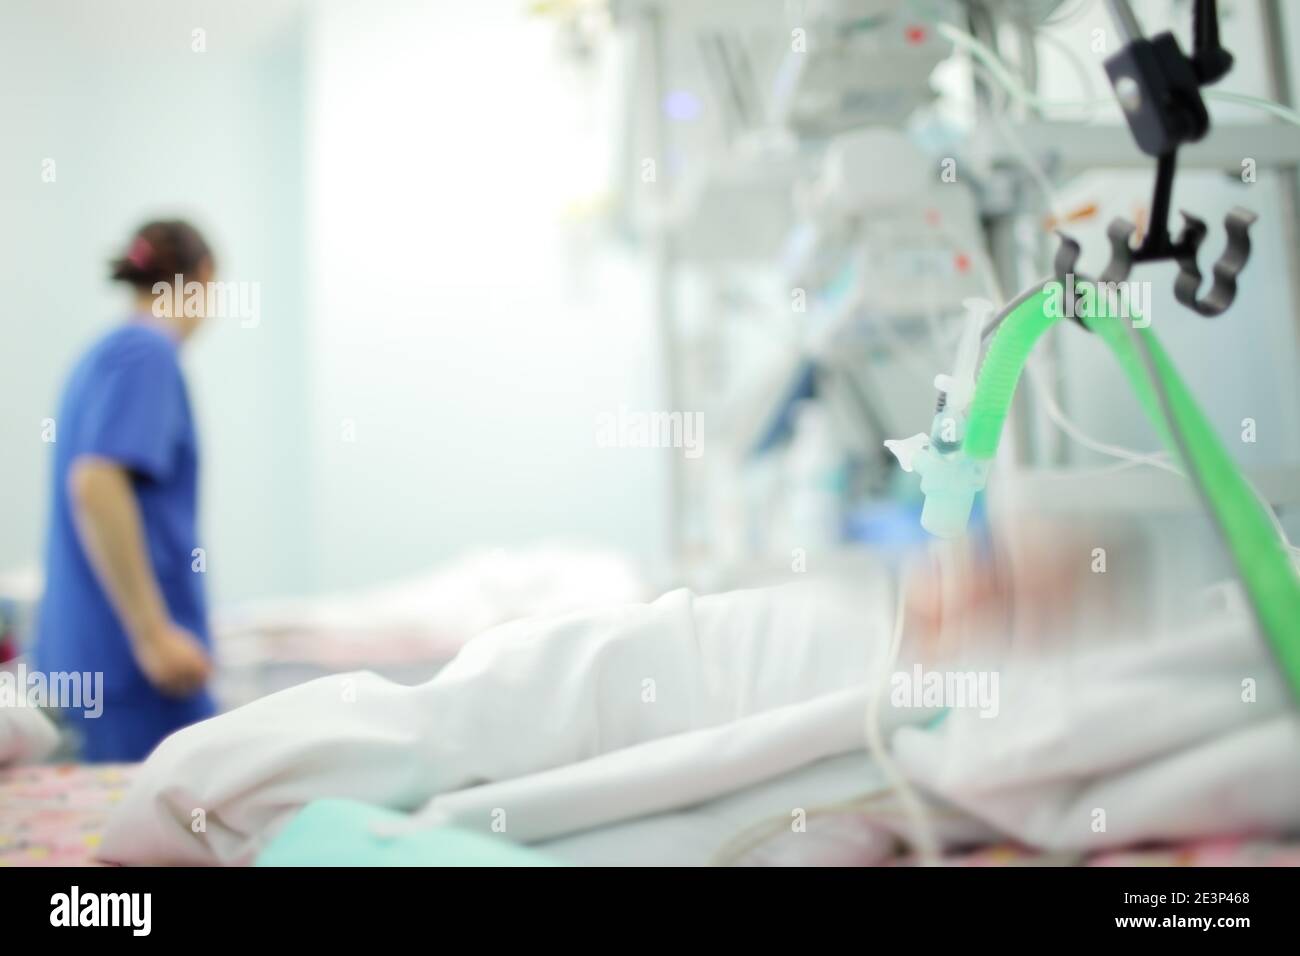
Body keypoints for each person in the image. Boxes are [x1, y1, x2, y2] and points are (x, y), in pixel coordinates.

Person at [35, 219, 217, 762]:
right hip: (131, 671)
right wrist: (154, 634)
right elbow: (97, 482)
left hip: (94, 660)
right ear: (204, 278)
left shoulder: (104, 353)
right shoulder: (146, 352)